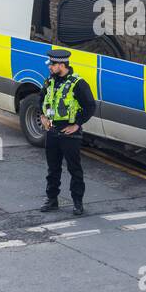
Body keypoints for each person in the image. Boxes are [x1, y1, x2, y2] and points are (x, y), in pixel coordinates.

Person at [39, 48, 97, 215]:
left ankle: (77, 203)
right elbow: (41, 99)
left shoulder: (78, 84)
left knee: (74, 169)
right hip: (52, 131)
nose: (50, 67)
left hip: (70, 134)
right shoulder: (49, 81)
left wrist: (77, 124)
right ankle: (52, 200)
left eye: (52, 64)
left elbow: (90, 106)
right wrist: (42, 115)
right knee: (53, 169)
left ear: (62, 65)